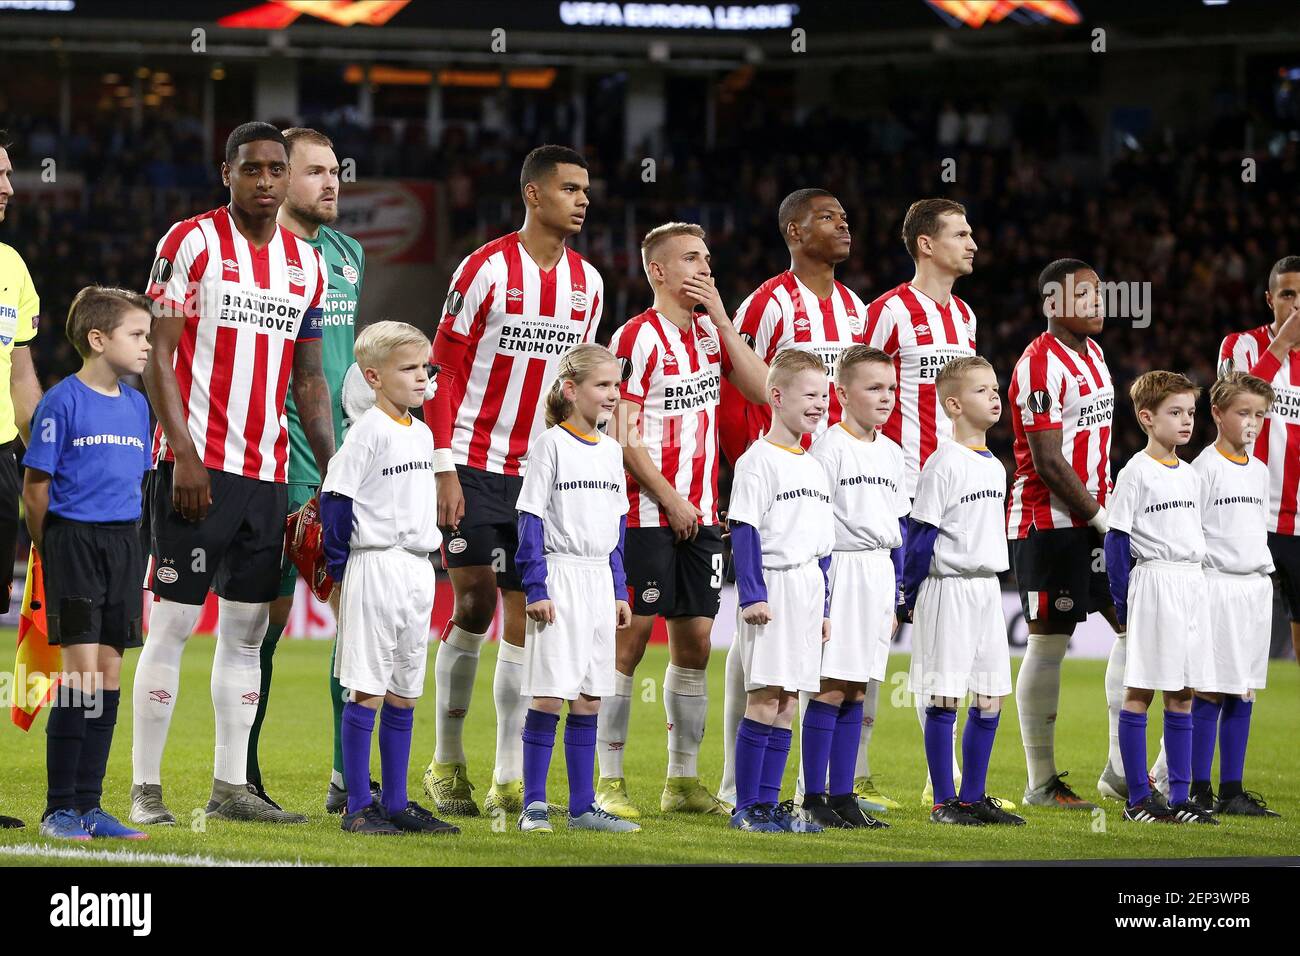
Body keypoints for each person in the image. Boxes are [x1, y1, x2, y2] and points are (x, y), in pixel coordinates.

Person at [131, 122, 335, 826]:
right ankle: (146, 790)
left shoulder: (306, 265)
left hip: (266, 472)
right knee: (176, 623)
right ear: (228, 172)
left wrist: (331, 466)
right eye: (254, 169)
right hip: (195, 465)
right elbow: (158, 356)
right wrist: (183, 453)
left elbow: (309, 378)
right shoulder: (189, 242)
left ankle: (229, 788)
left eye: (278, 169)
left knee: (246, 632)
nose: (269, 181)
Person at [422, 146, 604, 819]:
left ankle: (505, 774)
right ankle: (446, 760)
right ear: (533, 194)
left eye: (586, 190)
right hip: (471, 459)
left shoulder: (589, 285)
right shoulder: (486, 270)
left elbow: (573, 389)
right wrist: (441, 463)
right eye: (569, 188)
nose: (582, 200)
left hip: (540, 471)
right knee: (472, 604)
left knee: (531, 615)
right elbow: (441, 369)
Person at [716, 187, 887, 811]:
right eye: (827, 217)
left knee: (818, 651)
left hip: (831, 477)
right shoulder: (767, 301)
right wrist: (750, 464)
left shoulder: (855, 308)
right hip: (778, 474)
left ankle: (821, 788)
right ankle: (741, 789)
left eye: (846, 215)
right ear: (793, 230)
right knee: (760, 647)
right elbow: (739, 385)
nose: (843, 224)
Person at [596, 223, 767, 819]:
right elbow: (622, 432)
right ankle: (610, 780)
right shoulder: (636, 338)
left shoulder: (707, 334)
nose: (704, 266)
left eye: (708, 257)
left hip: (704, 512)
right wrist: (668, 496)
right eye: (691, 258)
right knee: (632, 639)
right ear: (658, 271)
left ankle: (682, 781)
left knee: (694, 643)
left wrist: (722, 317)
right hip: (647, 512)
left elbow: (762, 389)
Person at [239, 126, 373, 815]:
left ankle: (348, 778)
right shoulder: (258, 257)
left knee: (357, 626)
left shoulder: (348, 255)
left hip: (343, 465)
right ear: (278, 179)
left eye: (336, 172)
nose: (332, 184)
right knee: (263, 626)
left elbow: (341, 366)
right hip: (272, 460)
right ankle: (246, 775)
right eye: (316, 172)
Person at [862, 197, 983, 809]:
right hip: (899, 493)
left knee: (946, 643)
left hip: (953, 496)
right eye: (961, 234)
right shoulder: (887, 313)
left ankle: (953, 783)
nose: (973, 243)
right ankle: (855, 773)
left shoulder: (964, 320)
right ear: (926, 245)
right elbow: (858, 392)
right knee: (877, 630)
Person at [23, 287, 152, 840]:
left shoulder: (138, 403)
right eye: (137, 335)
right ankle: (59, 808)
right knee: (79, 676)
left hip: (126, 544)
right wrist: (52, 548)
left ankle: (92, 806)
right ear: (98, 340)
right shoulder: (63, 401)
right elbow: (35, 489)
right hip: (73, 543)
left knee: (109, 673)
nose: (147, 346)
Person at [321, 321, 458, 836]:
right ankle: (359, 805)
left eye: (425, 367)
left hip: (418, 567)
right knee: (367, 689)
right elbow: (336, 500)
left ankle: (397, 802)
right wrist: (339, 571)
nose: (422, 377)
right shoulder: (367, 431)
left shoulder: (421, 432)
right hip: (375, 563)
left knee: (404, 690)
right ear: (374, 377)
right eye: (409, 369)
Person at [1005, 259, 1117, 809]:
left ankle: (1121, 770)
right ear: (1053, 304)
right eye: (1086, 294)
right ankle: (1041, 783)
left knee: (1133, 629)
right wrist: (1099, 517)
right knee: (1049, 644)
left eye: (1100, 293)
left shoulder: (1094, 355)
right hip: (1048, 526)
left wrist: (1109, 510)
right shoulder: (1039, 366)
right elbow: (1048, 461)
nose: (1099, 302)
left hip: (1098, 518)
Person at [514, 344, 638, 833]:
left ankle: (583, 808)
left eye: (616, 385)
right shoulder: (550, 445)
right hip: (560, 576)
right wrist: (536, 585)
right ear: (571, 390)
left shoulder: (611, 451)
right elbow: (530, 517)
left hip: (597, 582)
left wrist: (619, 590)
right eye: (602, 385)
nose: (613, 394)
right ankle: (535, 806)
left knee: (589, 696)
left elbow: (617, 527)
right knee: (549, 693)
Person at [902, 356, 1024, 827]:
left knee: (990, 696)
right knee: (946, 697)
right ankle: (943, 801)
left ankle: (973, 798)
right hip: (947, 588)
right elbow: (922, 535)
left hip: (986, 590)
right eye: (982, 390)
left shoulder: (995, 465)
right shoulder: (942, 463)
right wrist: (907, 595)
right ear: (953, 404)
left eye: (995, 388)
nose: (995, 396)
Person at [727, 349, 835, 834]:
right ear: (777, 396)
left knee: (790, 699)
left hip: (808, 587)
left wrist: (826, 607)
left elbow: (825, 546)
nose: (820, 404)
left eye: (824, 395)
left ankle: (773, 806)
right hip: (773, 587)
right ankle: (748, 806)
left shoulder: (814, 465)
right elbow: (744, 528)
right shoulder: (757, 461)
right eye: (809, 394)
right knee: (765, 697)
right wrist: (752, 594)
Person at [1104, 371, 1216, 825]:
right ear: (1147, 418)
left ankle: (1180, 797)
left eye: (1191, 412)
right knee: (1140, 691)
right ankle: (1136, 799)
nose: (1187, 421)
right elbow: (1116, 541)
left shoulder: (1190, 475)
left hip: (1191, 583)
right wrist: (1122, 604)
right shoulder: (1135, 471)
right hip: (1153, 582)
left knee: (1184, 692)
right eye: (1176, 412)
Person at [800, 345, 904, 830]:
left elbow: (897, 527)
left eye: (890, 387)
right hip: (842, 568)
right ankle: (813, 797)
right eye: (873, 388)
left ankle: (843, 797)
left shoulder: (891, 452)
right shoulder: (829, 449)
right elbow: (816, 528)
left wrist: (897, 592)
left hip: (878, 573)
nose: (886, 397)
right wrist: (820, 596)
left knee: (858, 689)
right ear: (842, 393)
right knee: (830, 688)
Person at [1185, 374, 1283, 817]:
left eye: (1260, 414)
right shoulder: (1202, 470)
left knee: (1243, 691)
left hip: (1253, 589)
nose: (1252, 422)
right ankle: (1200, 790)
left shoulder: (1261, 471)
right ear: (1218, 414)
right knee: (1209, 690)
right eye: (1244, 412)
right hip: (1216, 586)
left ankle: (1232, 791)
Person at [1218, 256, 1300, 665]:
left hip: (1299, 523)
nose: (1297, 306)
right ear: (1270, 299)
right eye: (1288, 295)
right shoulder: (1240, 346)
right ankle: (1188, 729)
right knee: (1229, 655)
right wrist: (1282, 344)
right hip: (1248, 517)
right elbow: (1233, 404)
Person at [0, 128, 45, 831]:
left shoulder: (11, 263)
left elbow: (22, 371)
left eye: (9, 173)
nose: (9, 186)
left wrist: (47, 458)